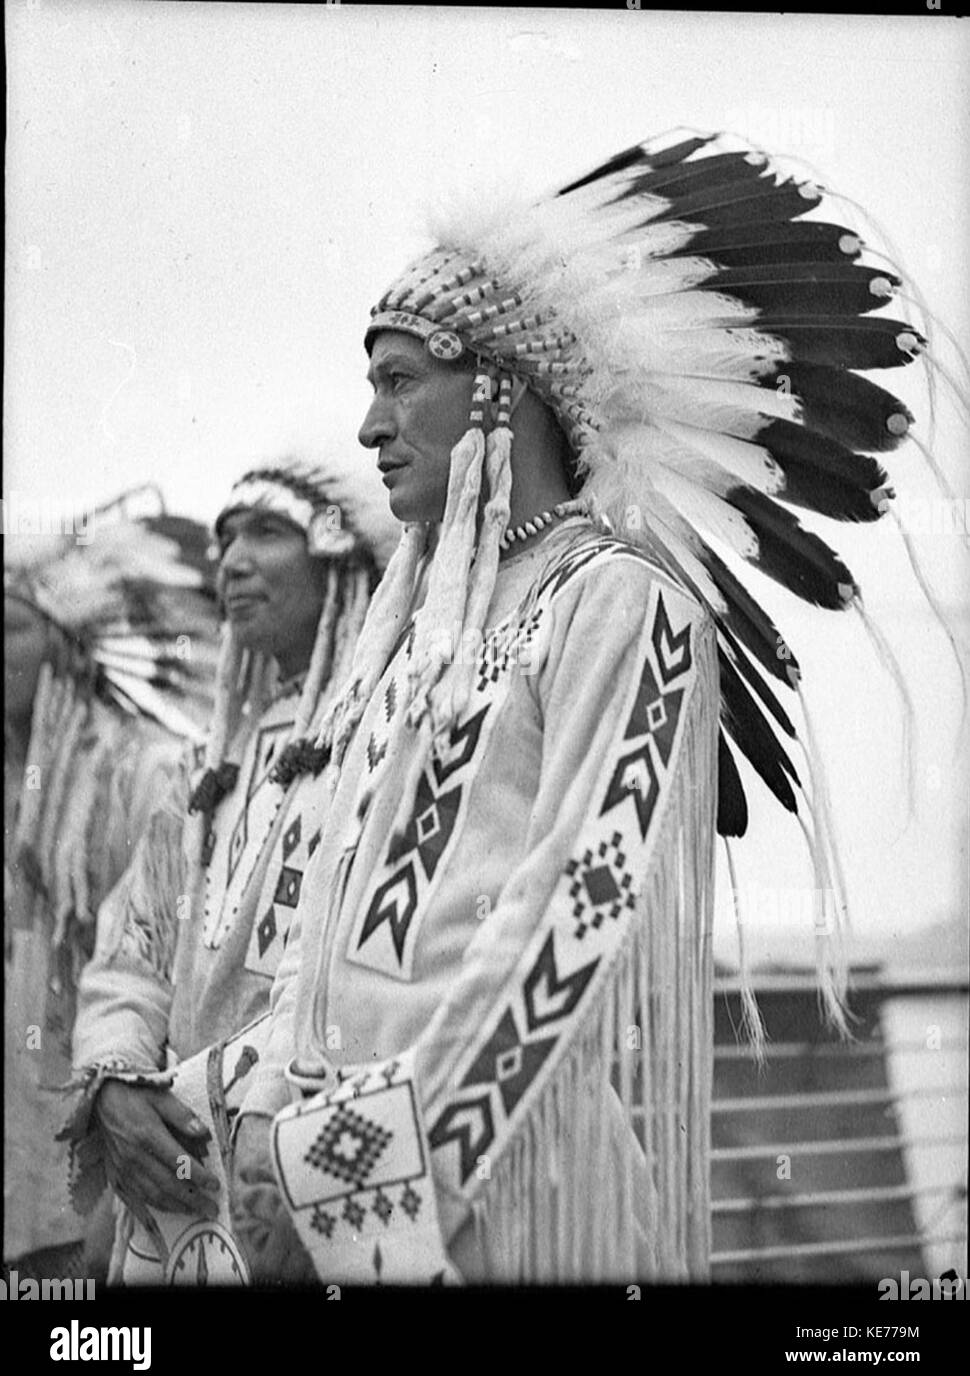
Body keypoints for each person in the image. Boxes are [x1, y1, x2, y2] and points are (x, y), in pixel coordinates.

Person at [230, 131, 931, 1284]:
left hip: (507, 1194)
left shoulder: (623, 603)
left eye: (401, 379)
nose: (369, 427)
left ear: (500, 389)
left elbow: (572, 913)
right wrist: (250, 1108)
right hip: (340, 1175)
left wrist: (376, 1179)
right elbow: (337, 936)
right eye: (371, 387)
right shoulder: (412, 631)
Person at [64, 458, 389, 1282]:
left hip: (313, 1152)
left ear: (343, 560)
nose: (233, 560)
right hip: (182, 1166)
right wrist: (118, 1085)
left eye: (267, 531)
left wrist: (252, 1101)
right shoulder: (207, 767)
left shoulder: (389, 733)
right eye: (225, 537)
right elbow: (129, 957)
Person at [4, 492, 219, 1279]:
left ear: (67, 644)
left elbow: (154, 962)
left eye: (11, 626)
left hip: (89, 1127)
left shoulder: (145, 772)